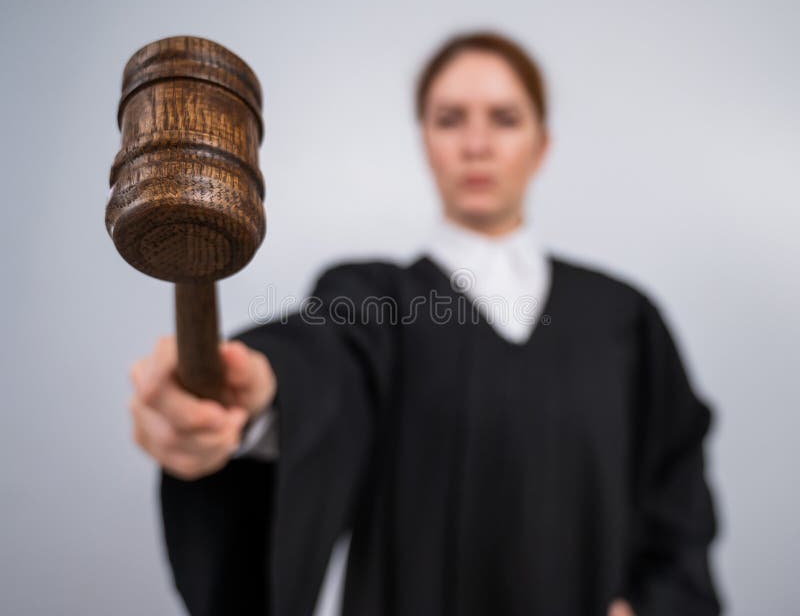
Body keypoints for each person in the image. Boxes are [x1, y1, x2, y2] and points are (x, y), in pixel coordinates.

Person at [128, 31, 723, 616]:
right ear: (425, 141)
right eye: (449, 119)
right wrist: (252, 398)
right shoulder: (376, 301)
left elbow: (676, 498)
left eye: (505, 119)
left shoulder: (623, 320)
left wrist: (649, 609)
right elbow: (318, 368)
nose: (476, 144)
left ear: (541, 145)